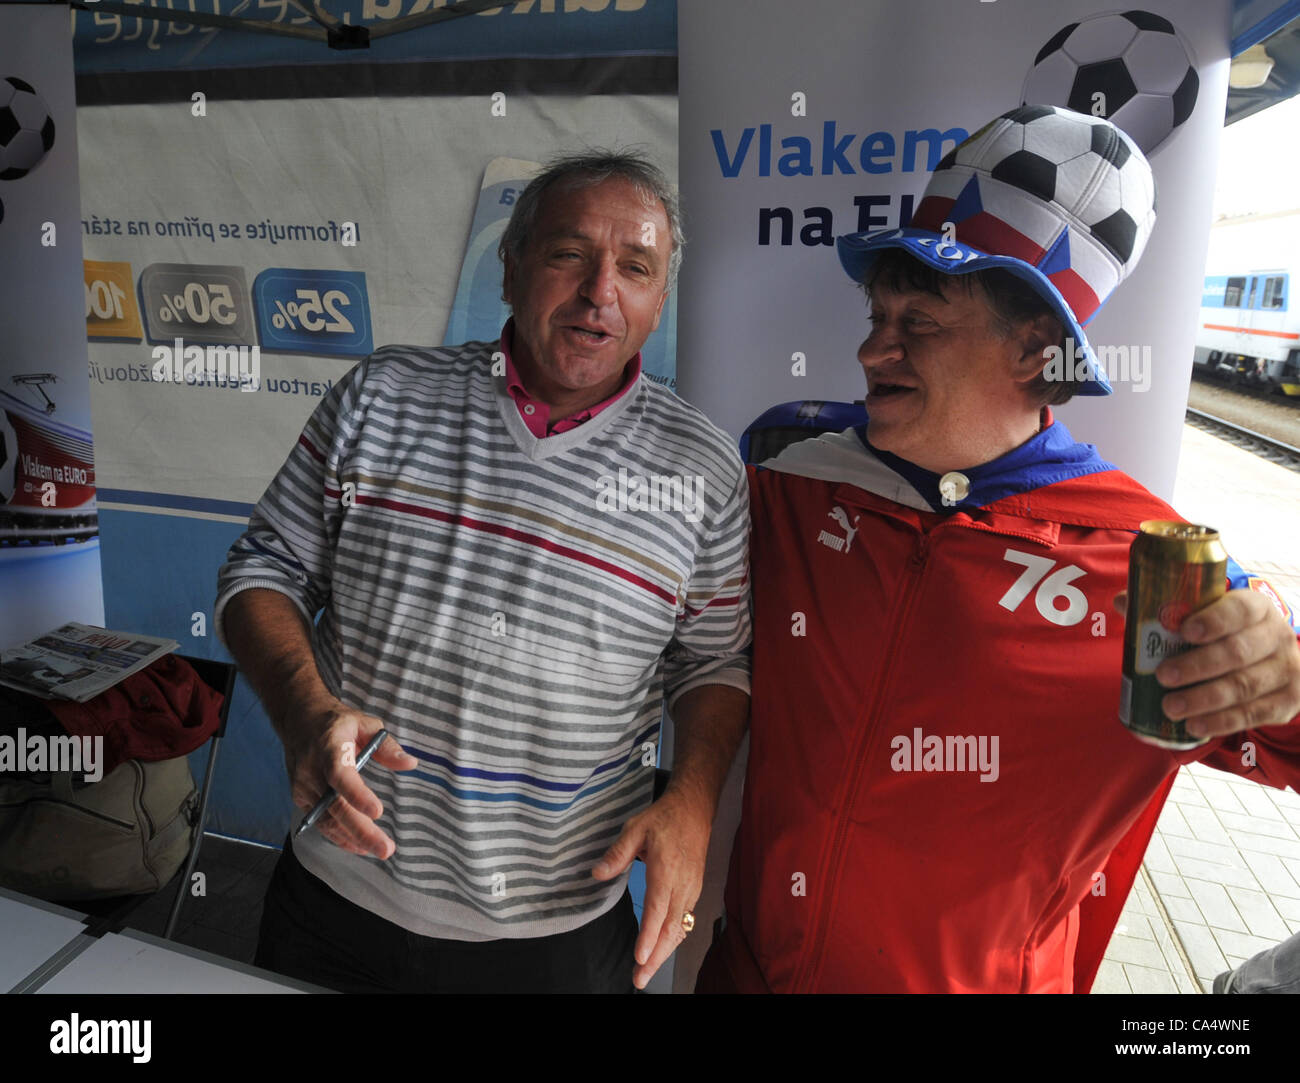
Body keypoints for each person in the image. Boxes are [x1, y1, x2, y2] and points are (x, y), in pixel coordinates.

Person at [696, 105, 1300, 994]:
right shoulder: (791, 476)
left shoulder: (1146, 568)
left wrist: (1279, 668)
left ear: (1036, 349)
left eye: (922, 322)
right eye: (878, 312)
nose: (871, 349)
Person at [215, 151, 751, 994]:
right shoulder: (381, 396)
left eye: (636, 269)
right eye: (569, 254)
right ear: (511, 267)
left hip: (556, 935)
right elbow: (263, 570)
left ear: (658, 302)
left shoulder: (705, 470)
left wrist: (692, 800)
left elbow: (715, 662)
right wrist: (302, 710)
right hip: (335, 894)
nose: (599, 291)